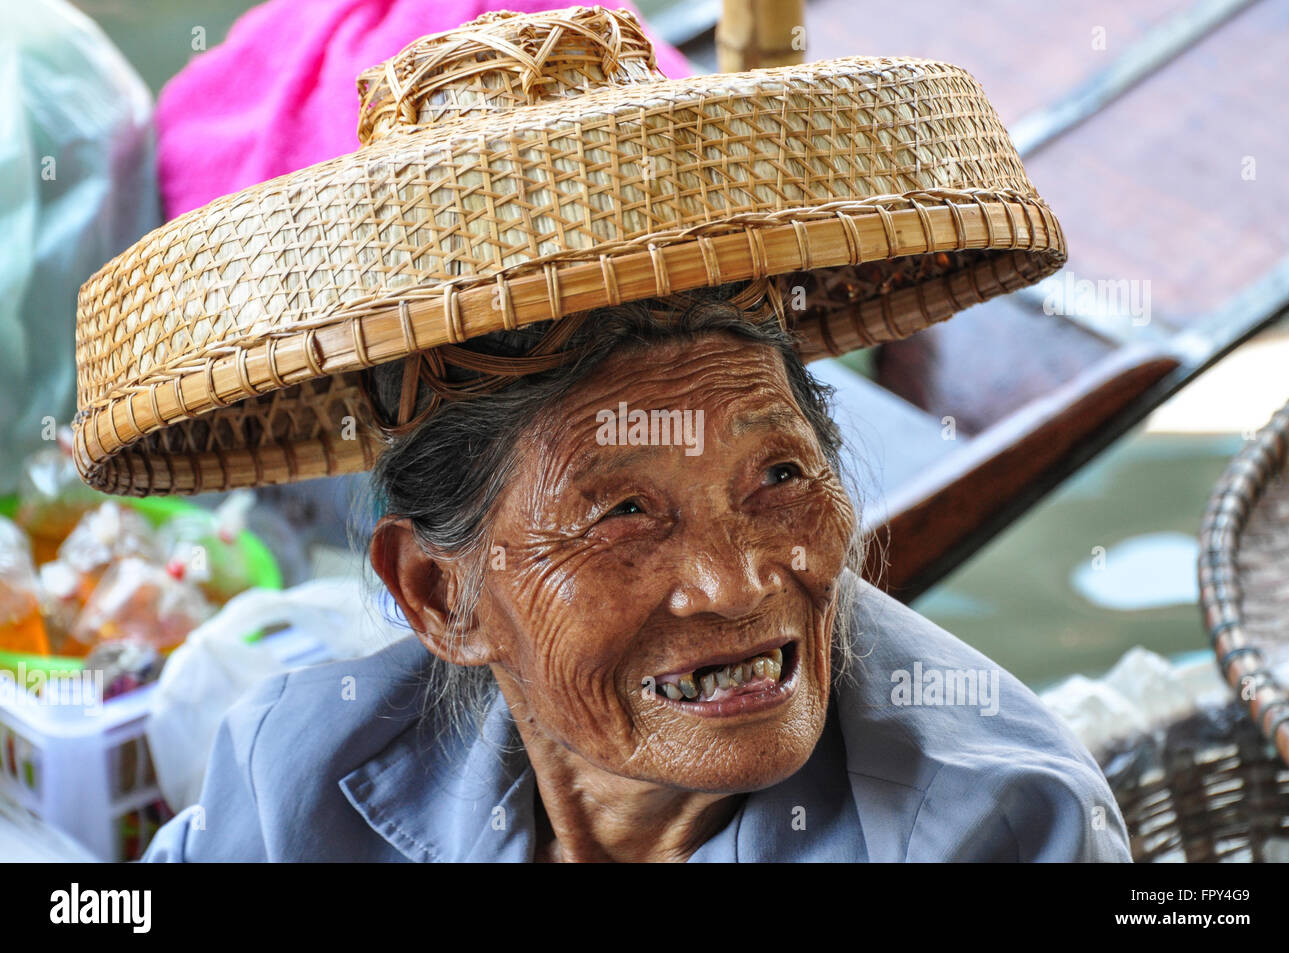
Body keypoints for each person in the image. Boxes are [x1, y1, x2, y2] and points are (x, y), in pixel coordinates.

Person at [73, 7, 1128, 861]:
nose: (733, 581)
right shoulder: (296, 767)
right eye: (623, 512)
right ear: (440, 595)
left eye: (777, 474)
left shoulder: (993, 825)